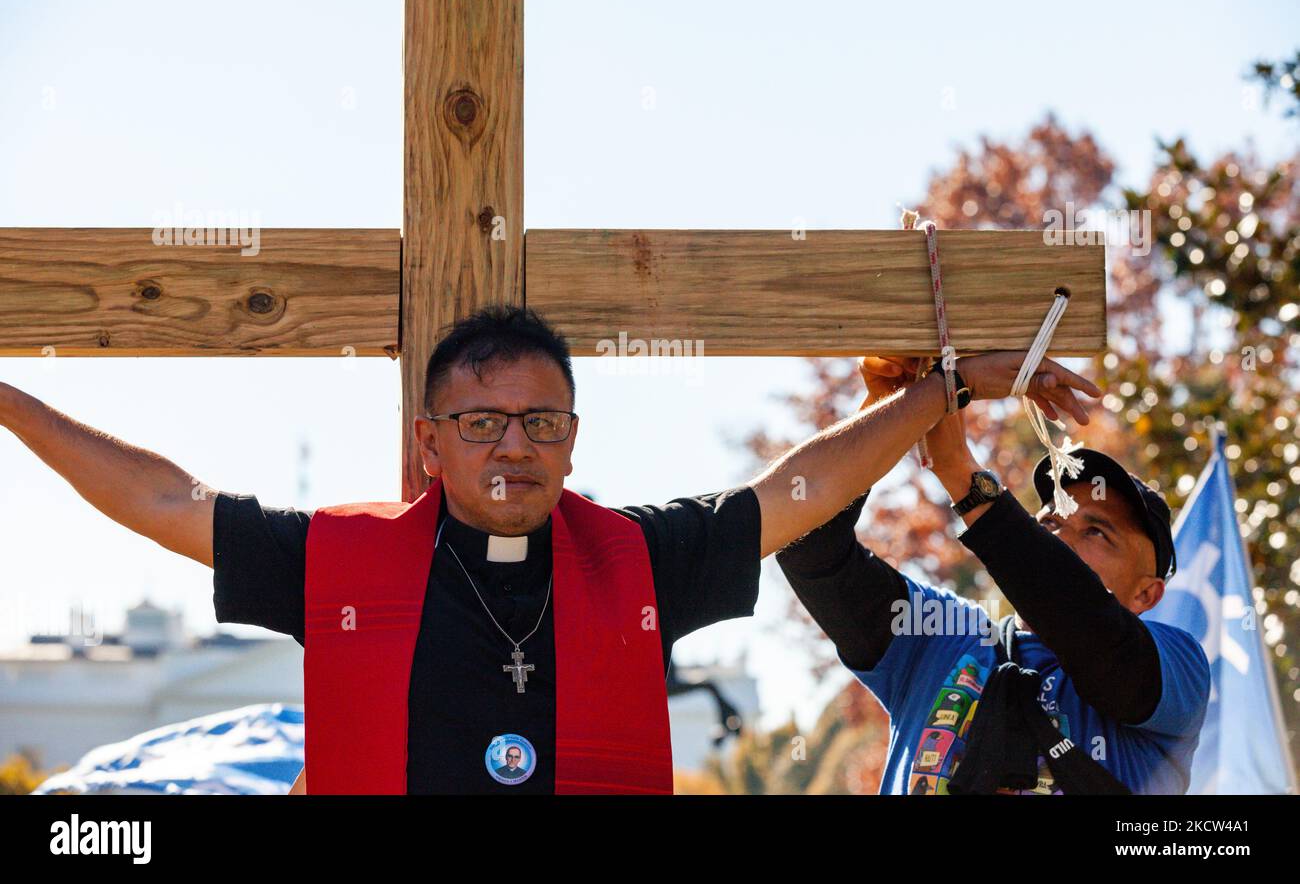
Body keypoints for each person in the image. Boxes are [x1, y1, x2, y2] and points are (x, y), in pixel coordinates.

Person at [0, 307, 1097, 794]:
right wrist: (10, 399)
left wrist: (936, 392)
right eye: (480, 422)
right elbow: (161, 495)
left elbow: (796, 489)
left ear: (574, 439)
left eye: (542, 422)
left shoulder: (638, 554)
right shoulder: (339, 558)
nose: (512, 447)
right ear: (428, 442)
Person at [776, 356, 1211, 794]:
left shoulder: (1180, 672)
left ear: (1147, 594)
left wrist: (960, 473)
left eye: (1096, 531)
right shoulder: (937, 637)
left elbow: (1084, 619)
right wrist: (891, 405)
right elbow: (808, 545)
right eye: (1051, 522)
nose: (1058, 538)